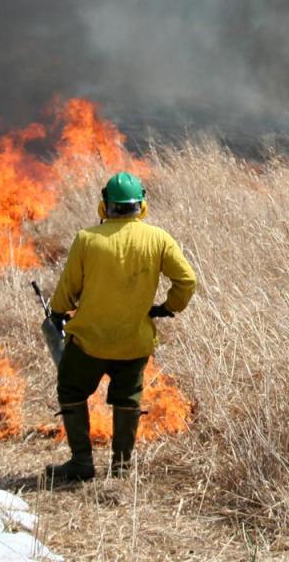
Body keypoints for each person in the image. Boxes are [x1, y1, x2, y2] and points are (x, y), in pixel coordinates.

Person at [43, 171, 197, 482]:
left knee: (71, 390)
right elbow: (187, 281)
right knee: (127, 400)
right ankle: (122, 468)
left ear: (105, 206)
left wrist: (57, 313)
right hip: (133, 342)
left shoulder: (87, 239)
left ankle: (82, 463)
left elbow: (67, 289)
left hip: (89, 342)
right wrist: (168, 308)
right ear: (141, 206)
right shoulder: (159, 239)